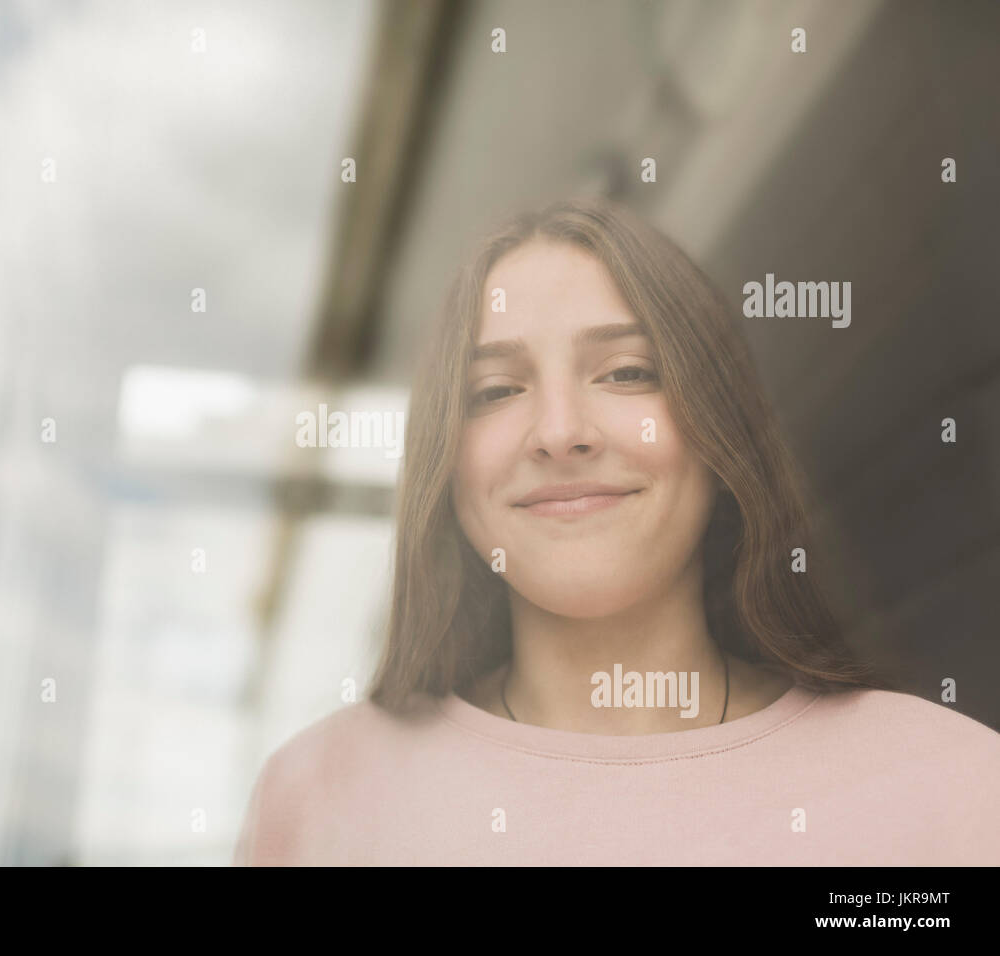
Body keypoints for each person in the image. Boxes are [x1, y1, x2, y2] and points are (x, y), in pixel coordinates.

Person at [233, 197, 1000, 866]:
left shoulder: (953, 788)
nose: (560, 432)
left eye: (627, 373)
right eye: (496, 390)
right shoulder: (321, 799)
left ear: (717, 428)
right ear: (445, 458)